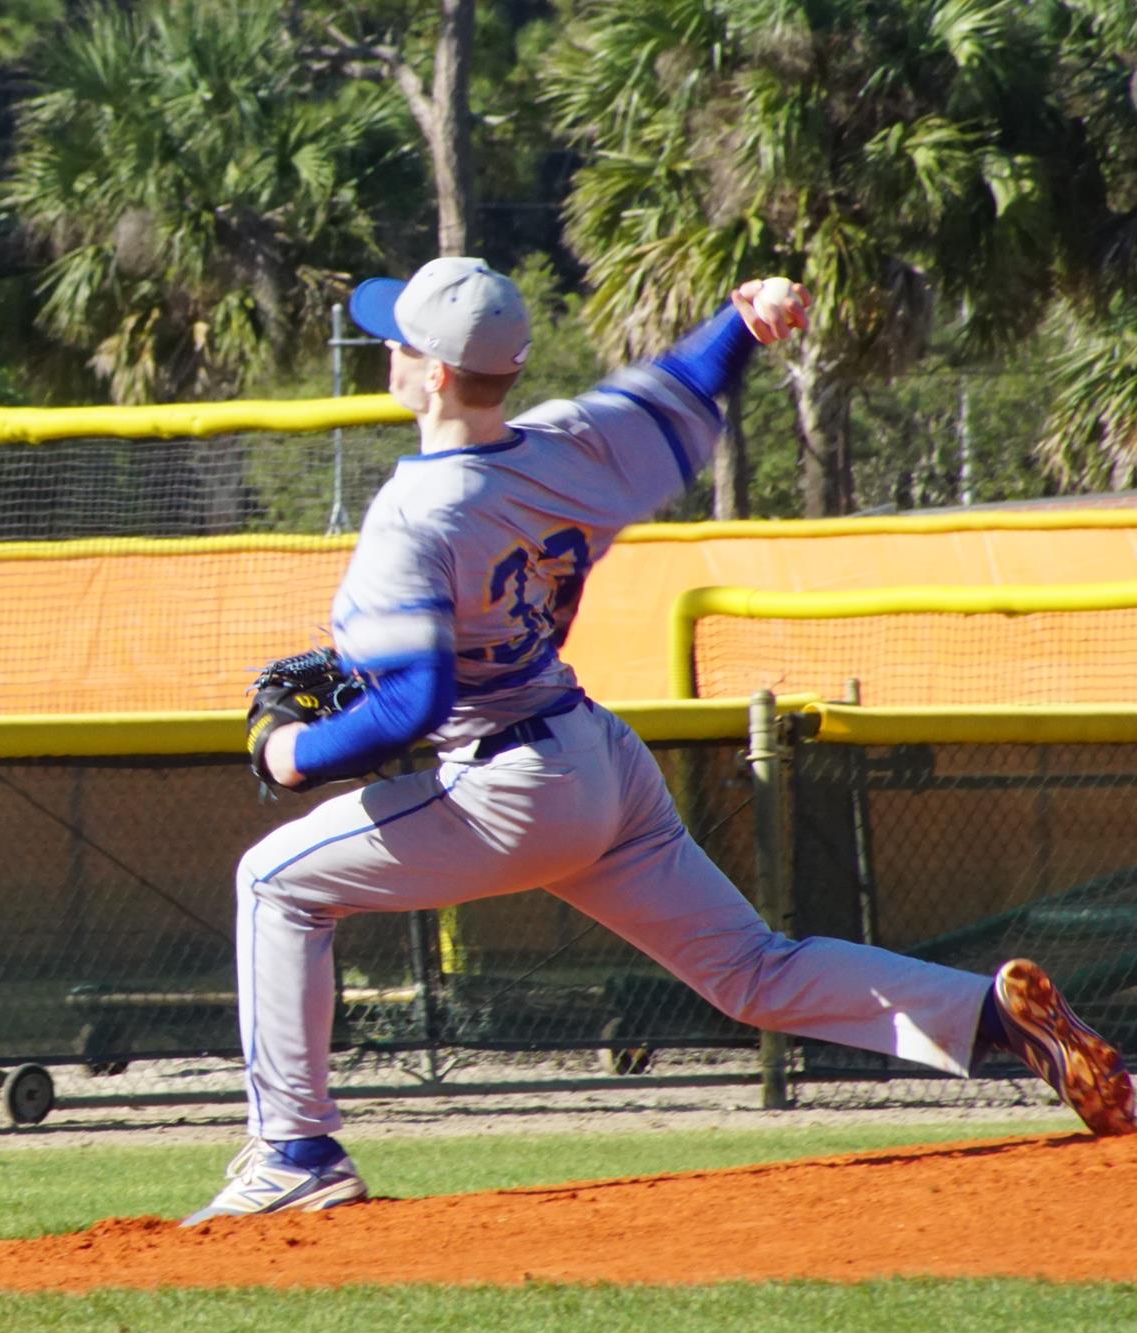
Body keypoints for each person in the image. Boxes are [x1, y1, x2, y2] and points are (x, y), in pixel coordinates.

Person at [184, 260, 1136, 1224]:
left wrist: (288, 756)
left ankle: (295, 1148)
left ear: (433, 373)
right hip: (596, 756)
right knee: (751, 969)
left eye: (399, 339)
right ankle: (993, 1016)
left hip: (507, 783)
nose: (386, 347)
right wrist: (744, 326)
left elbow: (417, 702)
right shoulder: (565, 444)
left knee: (275, 883)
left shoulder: (414, 515)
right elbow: (682, 387)